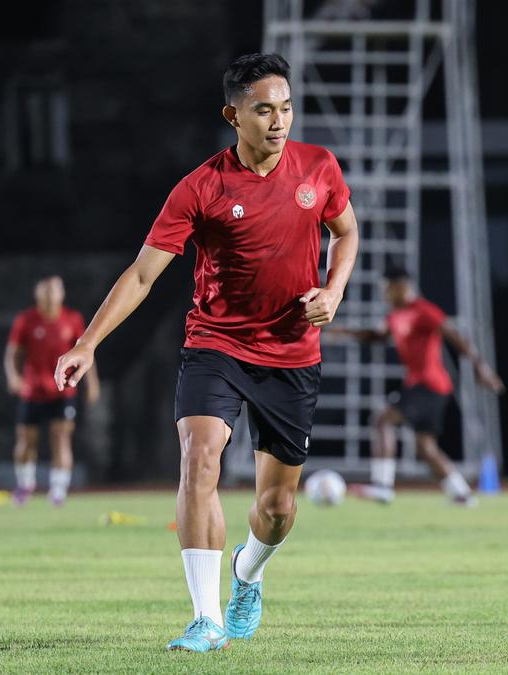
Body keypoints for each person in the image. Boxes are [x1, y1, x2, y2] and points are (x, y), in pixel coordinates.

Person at [52, 53, 359, 653]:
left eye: (286, 107)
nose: (279, 121)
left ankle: (248, 571)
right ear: (233, 116)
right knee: (200, 456)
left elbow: (345, 231)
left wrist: (334, 289)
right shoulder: (202, 187)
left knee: (277, 508)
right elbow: (142, 277)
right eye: (264, 110)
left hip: (293, 352)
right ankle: (205, 618)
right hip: (216, 344)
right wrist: (88, 343)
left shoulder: (319, 167)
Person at [332, 267, 504, 506]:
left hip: (430, 384)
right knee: (425, 447)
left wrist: (480, 367)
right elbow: (379, 337)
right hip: (422, 385)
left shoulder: (423, 310)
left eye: (386, 289)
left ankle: (382, 486)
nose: (384, 295)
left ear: (402, 286)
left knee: (383, 420)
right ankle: (462, 494)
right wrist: (347, 332)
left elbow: (454, 336)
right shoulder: (395, 315)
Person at [4, 275, 99, 507]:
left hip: (62, 391)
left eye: (54, 291)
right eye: (45, 291)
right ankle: (25, 484)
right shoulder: (26, 320)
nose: (49, 296)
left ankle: (58, 490)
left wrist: (92, 383)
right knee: (26, 441)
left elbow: (86, 352)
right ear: (37, 295)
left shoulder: (72, 319)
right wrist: (13, 376)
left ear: (62, 294)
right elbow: (11, 353)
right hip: (32, 390)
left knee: (61, 438)